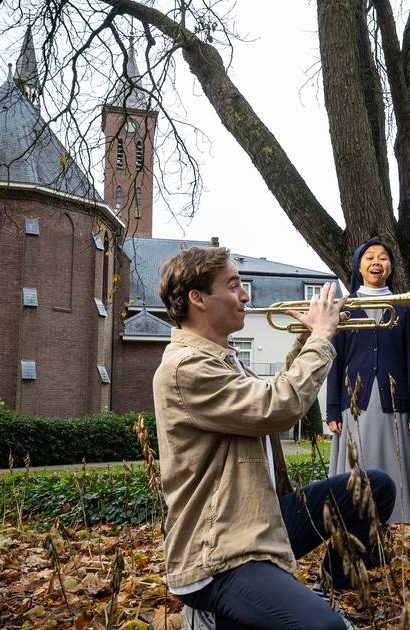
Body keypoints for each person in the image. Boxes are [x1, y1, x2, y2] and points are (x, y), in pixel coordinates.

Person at [152, 247, 395, 630]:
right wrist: (321, 338)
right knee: (327, 629)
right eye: (234, 286)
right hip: (219, 550)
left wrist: (306, 340)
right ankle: (212, 616)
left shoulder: (221, 357)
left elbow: (265, 396)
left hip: (260, 517)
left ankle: (324, 590)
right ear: (198, 298)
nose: (245, 296)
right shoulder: (185, 368)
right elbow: (276, 406)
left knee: (374, 487)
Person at [327, 238, 410, 523]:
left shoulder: (404, 309)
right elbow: (335, 360)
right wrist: (332, 409)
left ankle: (396, 523)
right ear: (358, 266)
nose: (376, 262)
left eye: (383, 257)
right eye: (370, 257)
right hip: (355, 405)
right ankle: (357, 523)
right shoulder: (344, 307)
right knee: (357, 465)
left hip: (395, 404)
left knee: (395, 465)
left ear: (391, 266)